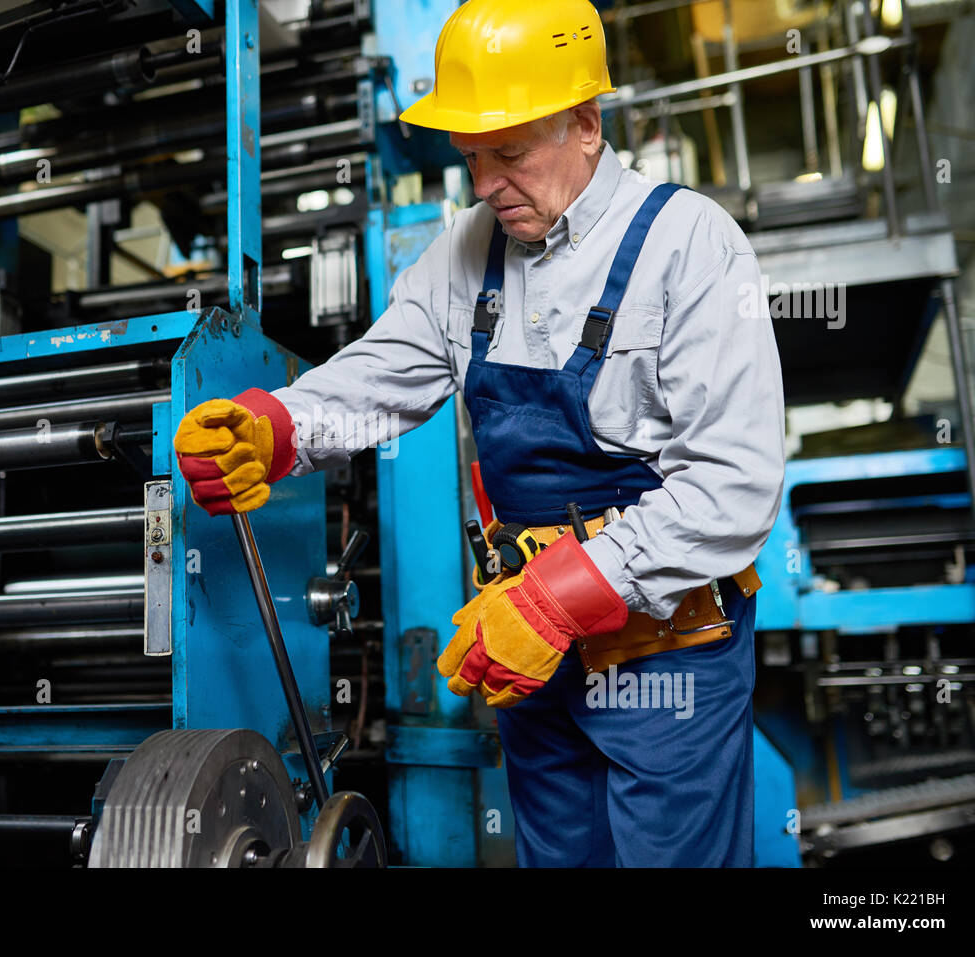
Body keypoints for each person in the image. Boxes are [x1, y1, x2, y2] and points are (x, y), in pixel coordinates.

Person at [172, 0, 785, 867]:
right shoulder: (469, 250)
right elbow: (383, 376)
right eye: (470, 159)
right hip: (526, 653)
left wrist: (559, 598)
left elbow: (731, 488)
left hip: (662, 653)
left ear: (584, 121)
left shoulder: (689, 245)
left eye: (511, 152)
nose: (488, 183)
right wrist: (275, 426)